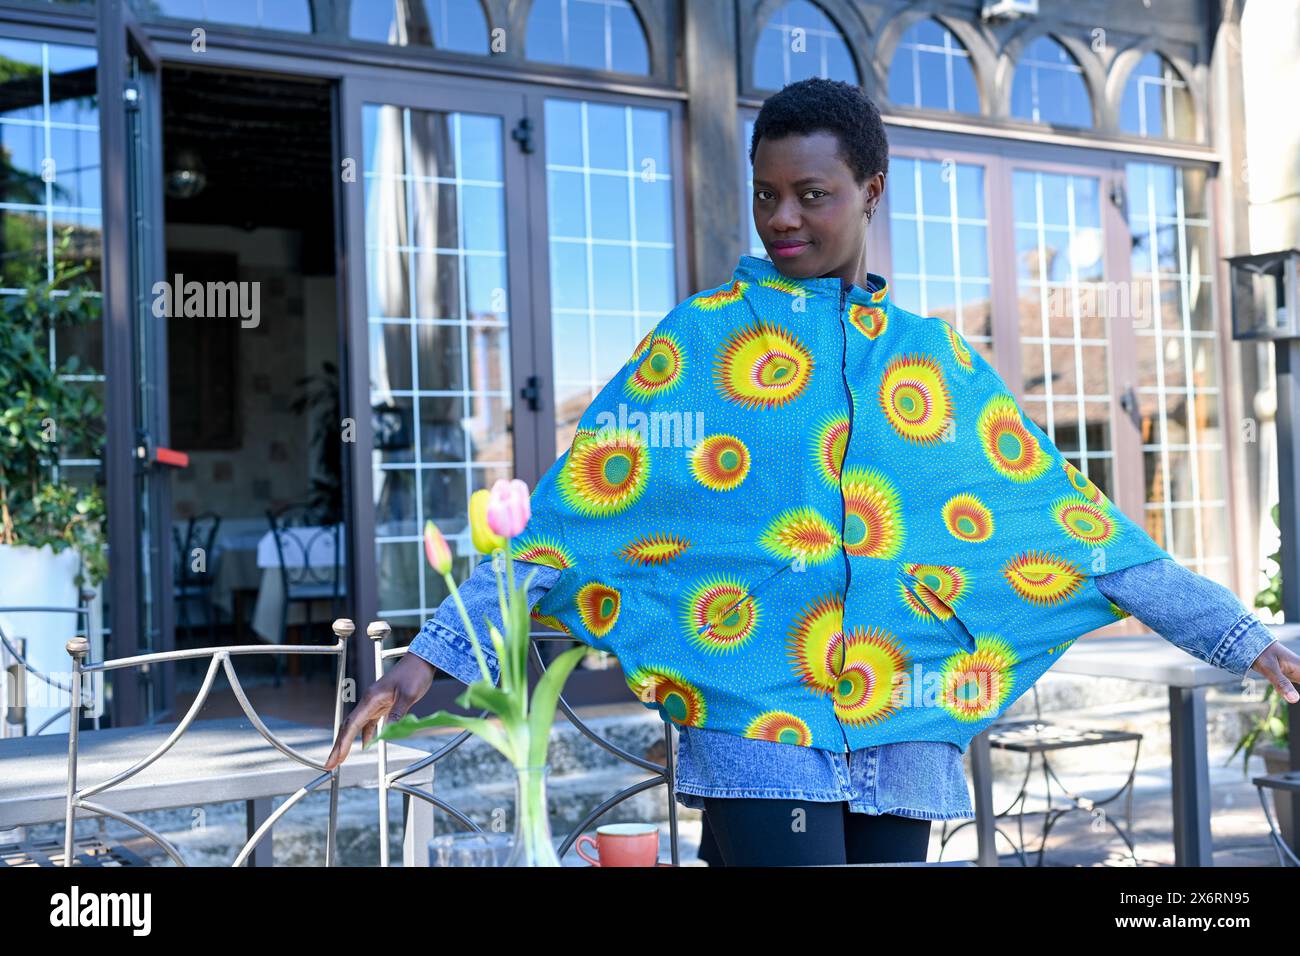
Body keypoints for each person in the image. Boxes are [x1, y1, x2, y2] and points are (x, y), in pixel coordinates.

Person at [326, 78, 1299, 867]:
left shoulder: (939, 364)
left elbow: (1081, 530)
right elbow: (569, 515)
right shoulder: (700, 344)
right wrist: (429, 660)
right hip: (754, 724)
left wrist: (1244, 638)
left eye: (811, 193)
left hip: (905, 719)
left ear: (872, 187)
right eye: (764, 194)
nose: (780, 217)